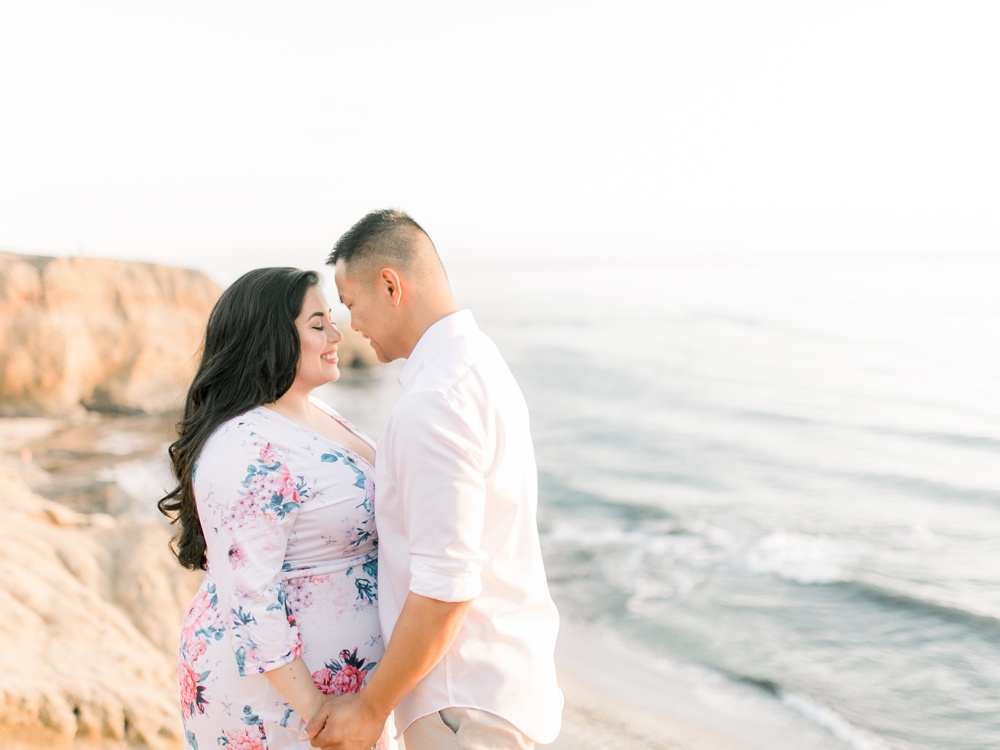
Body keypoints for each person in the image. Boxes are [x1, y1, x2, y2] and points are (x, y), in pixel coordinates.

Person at [302, 211, 563, 750]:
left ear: (391, 285)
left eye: (351, 303)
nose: (350, 325)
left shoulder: (434, 401)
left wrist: (372, 706)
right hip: (493, 686)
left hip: (462, 705)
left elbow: (446, 587)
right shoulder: (478, 363)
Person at [157, 267, 393, 750]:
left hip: (339, 700)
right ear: (271, 337)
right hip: (281, 705)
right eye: (318, 324)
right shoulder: (243, 445)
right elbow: (250, 596)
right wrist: (317, 713)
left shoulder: (314, 412)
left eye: (332, 321)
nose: (337, 336)